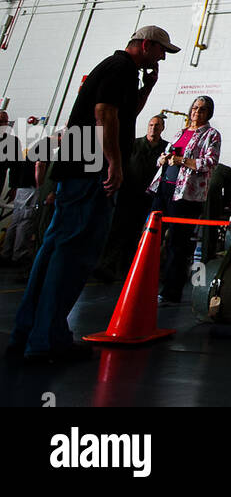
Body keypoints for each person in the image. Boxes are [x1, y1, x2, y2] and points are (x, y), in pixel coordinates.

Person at [6, 26, 177, 363]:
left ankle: (27, 334)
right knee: (73, 256)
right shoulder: (121, 68)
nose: (161, 58)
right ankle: (46, 342)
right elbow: (105, 113)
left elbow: (124, 114)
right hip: (90, 172)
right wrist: (114, 163)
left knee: (54, 249)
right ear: (146, 45)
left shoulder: (117, 71)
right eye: (160, 51)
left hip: (76, 169)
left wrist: (148, 88)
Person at [147, 97, 221, 305]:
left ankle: (171, 292)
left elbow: (210, 161)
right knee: (151, 238)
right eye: (195, 108)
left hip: (186, 196)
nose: (197, 112)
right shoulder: (180, 132)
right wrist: (163, 158)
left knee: (176, 244)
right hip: (164, 189)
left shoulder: (211, 134)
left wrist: (182, 161)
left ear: (209, 113)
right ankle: (144, 284)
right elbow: (169, 154)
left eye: (203, 109)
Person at [95, 112, 169, 281]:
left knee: (135, 234)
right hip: (127, 195)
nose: (154, 128)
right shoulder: (135, 144)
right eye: (151, 125)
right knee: (117, 230)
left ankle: (125, 270)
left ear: (162, 128)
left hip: (147, 197)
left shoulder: (166, 149)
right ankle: (105, 266)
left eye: (157, 125)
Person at [0, 113, 39, 268]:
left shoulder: (11, 141)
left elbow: (16, 166)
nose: (4, 124)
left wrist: (14, 187)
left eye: (5, 121)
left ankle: (8, 253)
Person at [200, 161, 231, 261]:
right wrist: (225, 203)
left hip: (195, 193)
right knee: (209, 228)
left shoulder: (203, 164)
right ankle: (207, 258)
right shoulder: (227, 170)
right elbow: (230, 194)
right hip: (210, 194)